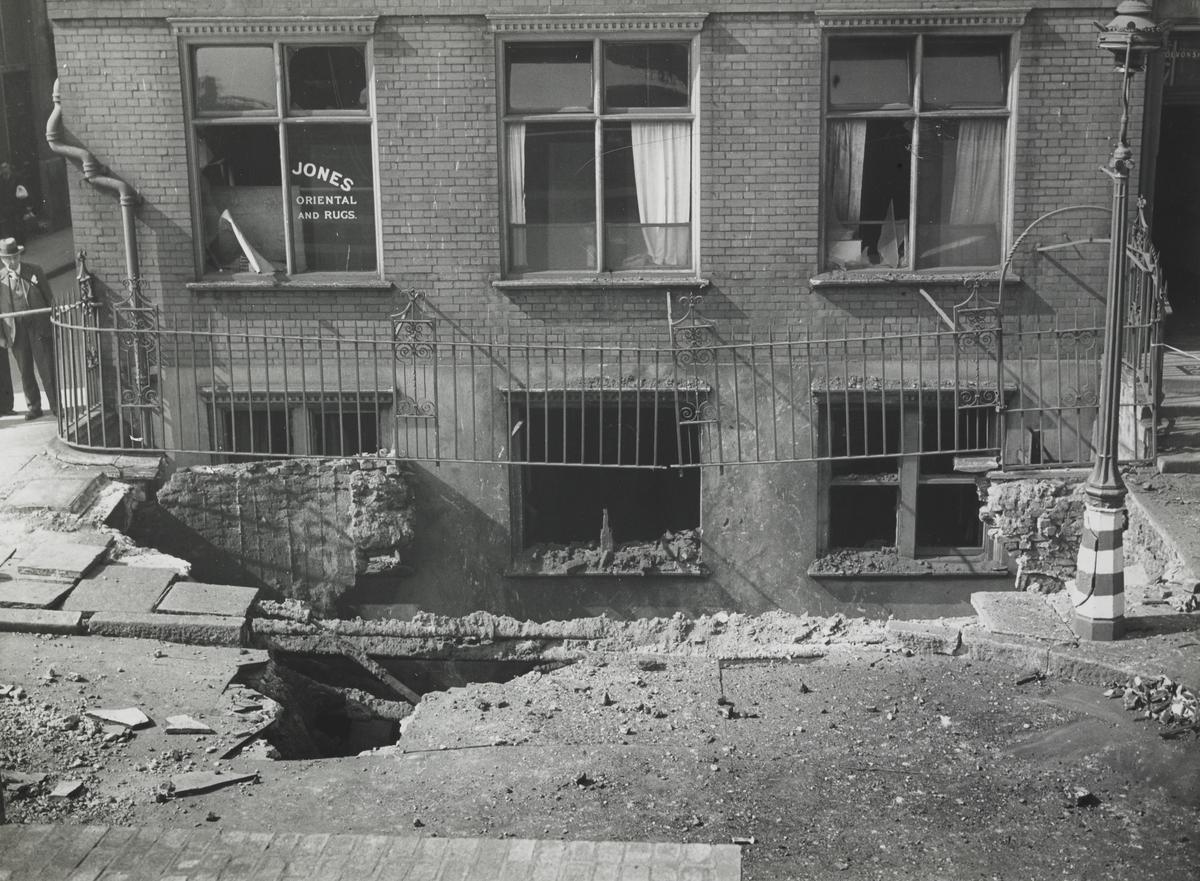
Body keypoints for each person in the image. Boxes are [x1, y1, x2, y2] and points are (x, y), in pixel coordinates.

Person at [0, 237, 57, 419]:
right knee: (25, 371)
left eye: (15, 257)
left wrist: (53, 322)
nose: (12, 261)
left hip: (38, 326)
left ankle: (57, 406)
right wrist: (2, 336)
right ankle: (34, 407)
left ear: (19, 255)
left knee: (46, 368)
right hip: (16, 330)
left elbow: (50, 299)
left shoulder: (34, 270)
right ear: (2, 259)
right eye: (8, 258)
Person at [0, 161, 29, 244]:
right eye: (2, 168)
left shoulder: (17, 177)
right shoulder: (1, 179)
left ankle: (22, 244)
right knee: (10, 227)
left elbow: (22, 190)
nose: (4, 169)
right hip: (6, 207)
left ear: (9, 168)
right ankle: (14, 244)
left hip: (17, 205)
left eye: (6, 167)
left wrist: (24, 205)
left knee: (19, 225)